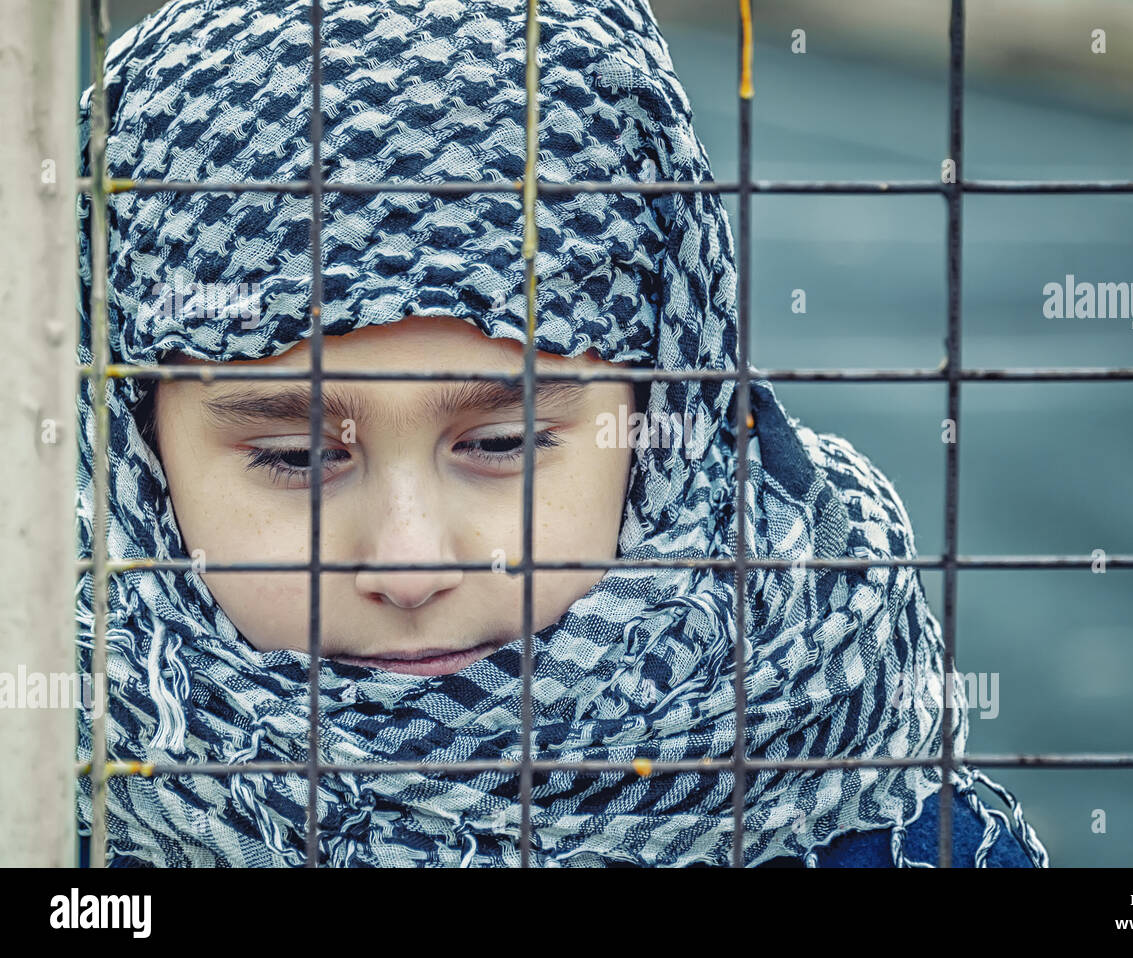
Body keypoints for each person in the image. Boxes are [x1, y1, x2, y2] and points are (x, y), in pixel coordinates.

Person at [74, 0, 1050, 868]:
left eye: (499, 443)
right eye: (295, 457)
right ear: (137, 454)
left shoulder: (868, 815)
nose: (410, 564)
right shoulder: (54, 790)